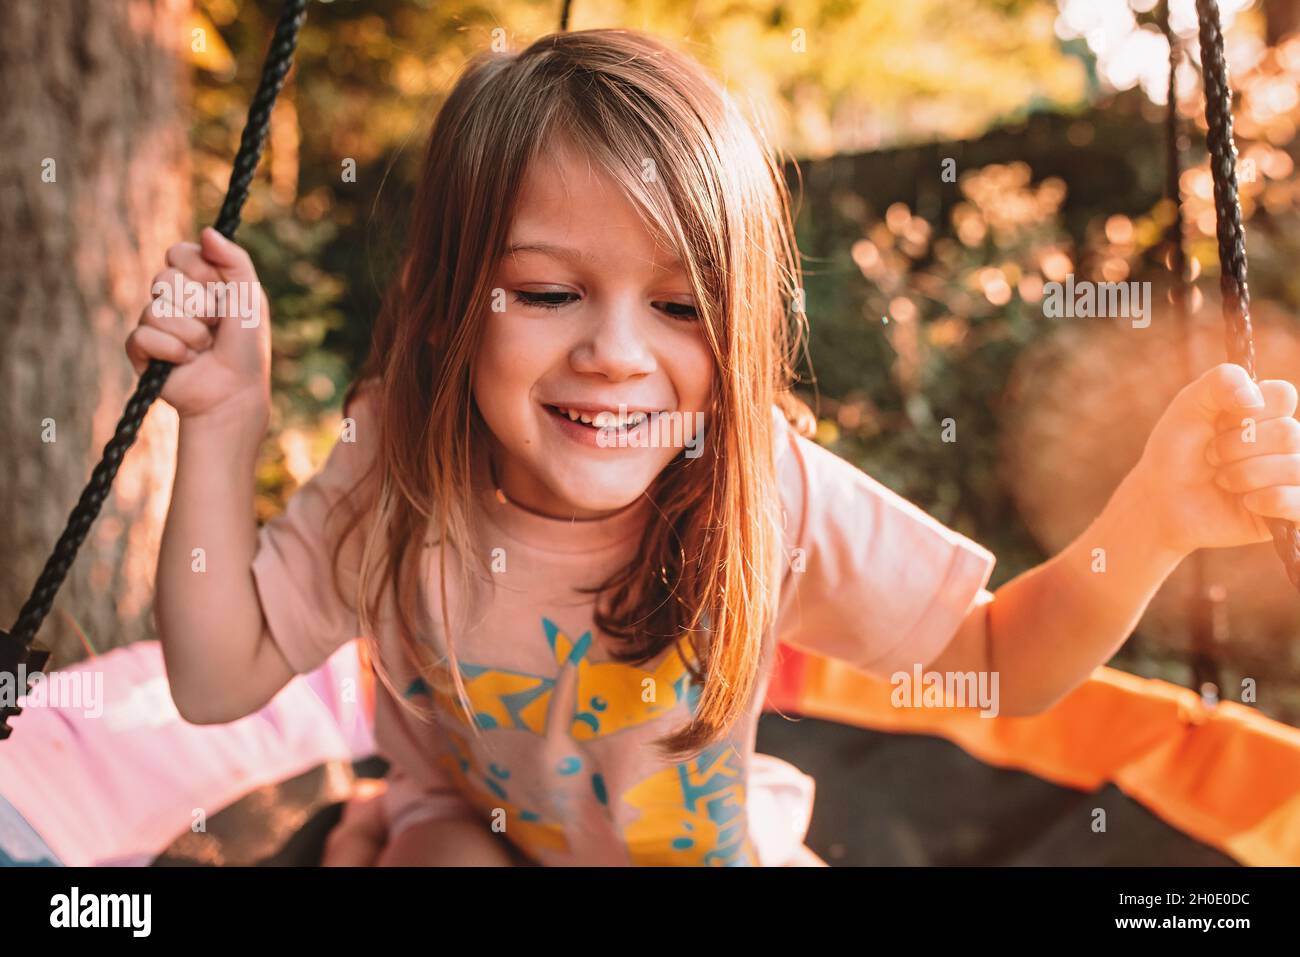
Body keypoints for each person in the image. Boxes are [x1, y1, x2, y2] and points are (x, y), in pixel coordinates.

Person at [130, 29, 1300, 866]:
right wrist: (225, 424)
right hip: (466, 827)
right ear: (447, 304)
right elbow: (215, 678)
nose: (616, 354)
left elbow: (1001, 666)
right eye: (546, 293)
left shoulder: (757, 484)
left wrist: (1151, 517)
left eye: (682, 308)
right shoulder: (401, 465)